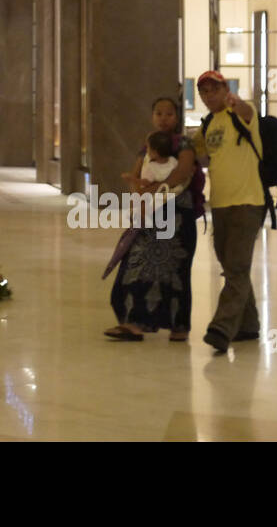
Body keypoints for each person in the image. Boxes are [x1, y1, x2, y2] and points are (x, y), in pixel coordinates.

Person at [106, 98, 200, 342]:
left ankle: (179, 326)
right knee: (135, 262)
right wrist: (139, 193)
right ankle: (132, 323)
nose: (163, 118)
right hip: (149, 215)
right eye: (158, 113)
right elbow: (137, 173)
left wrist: (155, 189)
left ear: (177, 117)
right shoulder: (147, 145)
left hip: (177, 215)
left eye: (169, 113)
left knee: (176, 269)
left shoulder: (184, 143)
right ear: (152, 117)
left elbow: (182, 172)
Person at [192, 70, 266, 354]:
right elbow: (193, 152)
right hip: (220, 204)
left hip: (248, 202)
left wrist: (238, 103)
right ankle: (249, 324)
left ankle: (222, 328)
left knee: (236, 265)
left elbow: (248, 111)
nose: (209, 96)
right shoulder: (209, 124)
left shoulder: (241, 113)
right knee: (232, 266)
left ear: (226, 90)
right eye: (204, 92)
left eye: (214, 90)